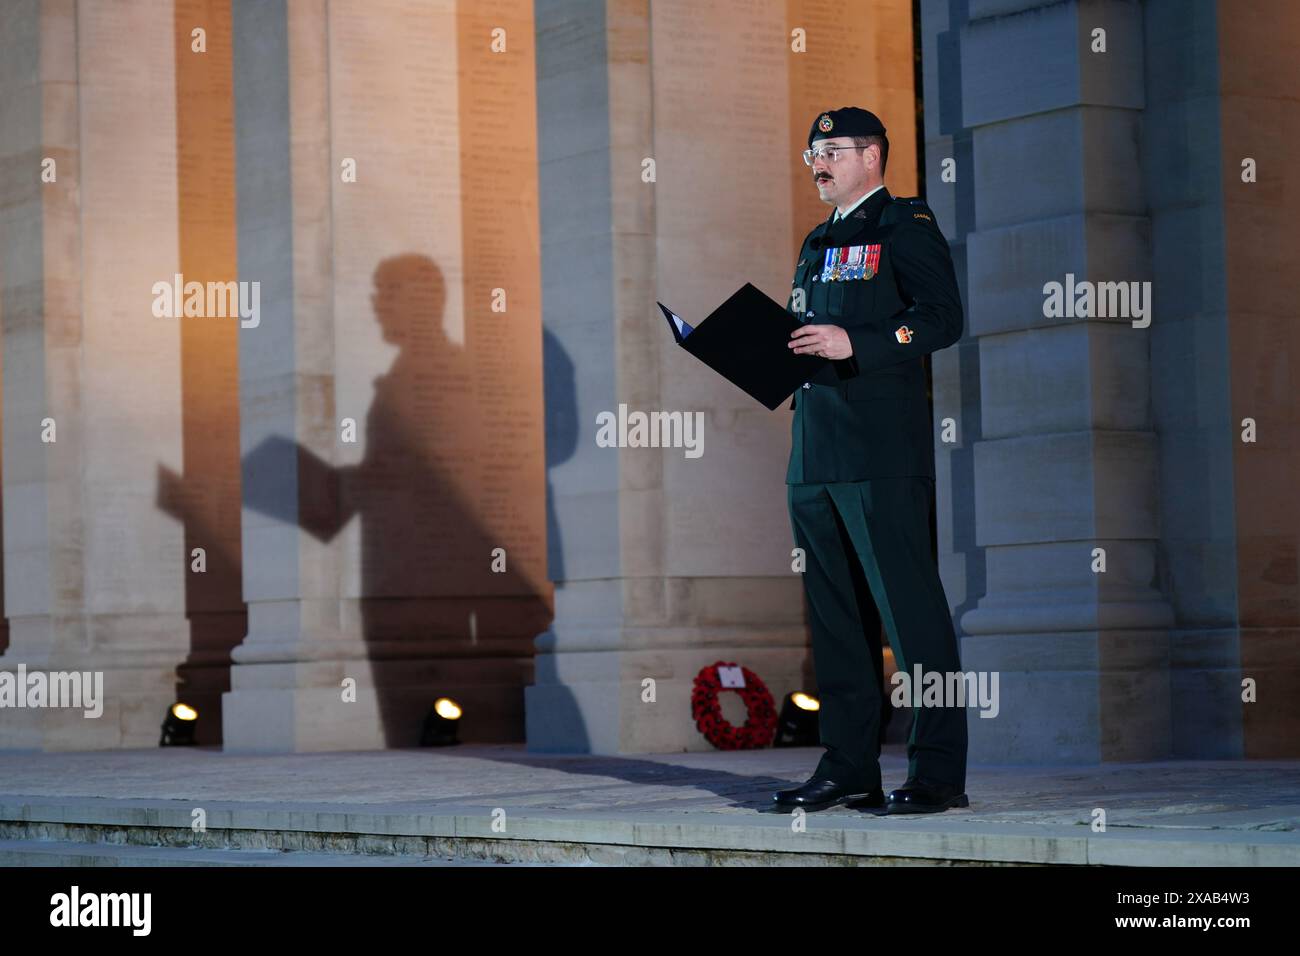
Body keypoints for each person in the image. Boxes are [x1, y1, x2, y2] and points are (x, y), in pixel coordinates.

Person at [772, 106, 969, 814]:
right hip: (815, 451)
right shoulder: (817, 240)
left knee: (910, 615)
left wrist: (860, 343)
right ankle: (850, 766)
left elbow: (943, 316)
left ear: (872, 155)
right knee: (836, 622)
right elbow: (805, 331)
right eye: (811, 153)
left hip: (881, 450)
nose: (817, 163)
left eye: (830, 151)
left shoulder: (902, 226)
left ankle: (938, 773)